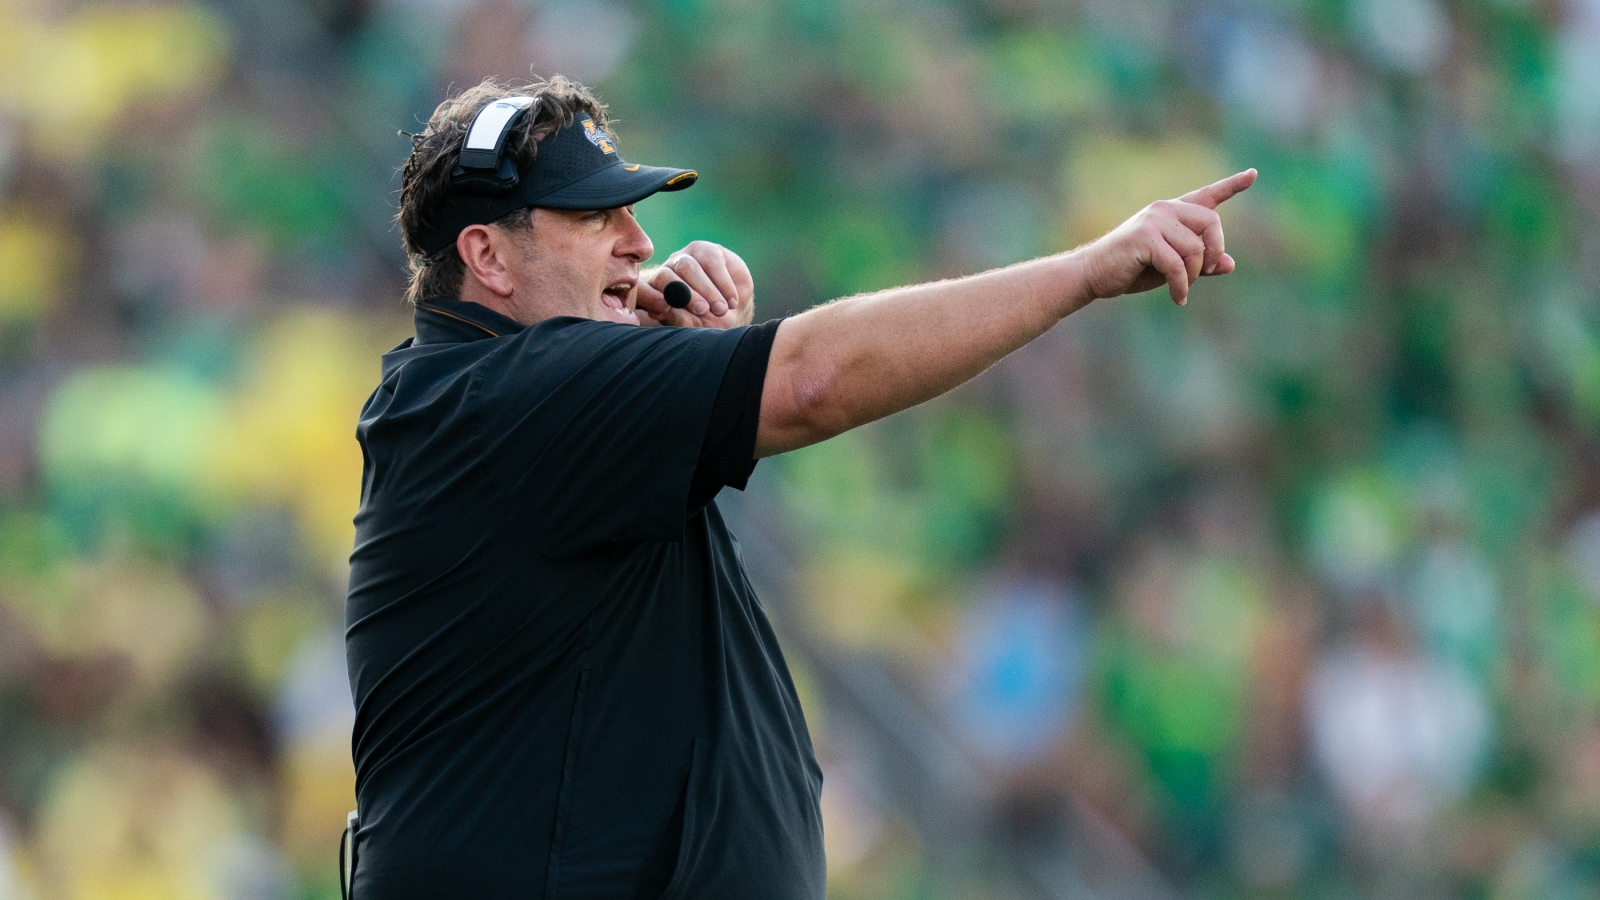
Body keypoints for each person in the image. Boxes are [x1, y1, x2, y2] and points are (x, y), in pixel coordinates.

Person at [344, 74, 1255, 898]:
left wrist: (684, 371)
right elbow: (815, 380)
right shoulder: (509, 394)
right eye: (591, 218)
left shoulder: (501, 399)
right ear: (488, 257)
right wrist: (1086, 271)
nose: (638, 241)